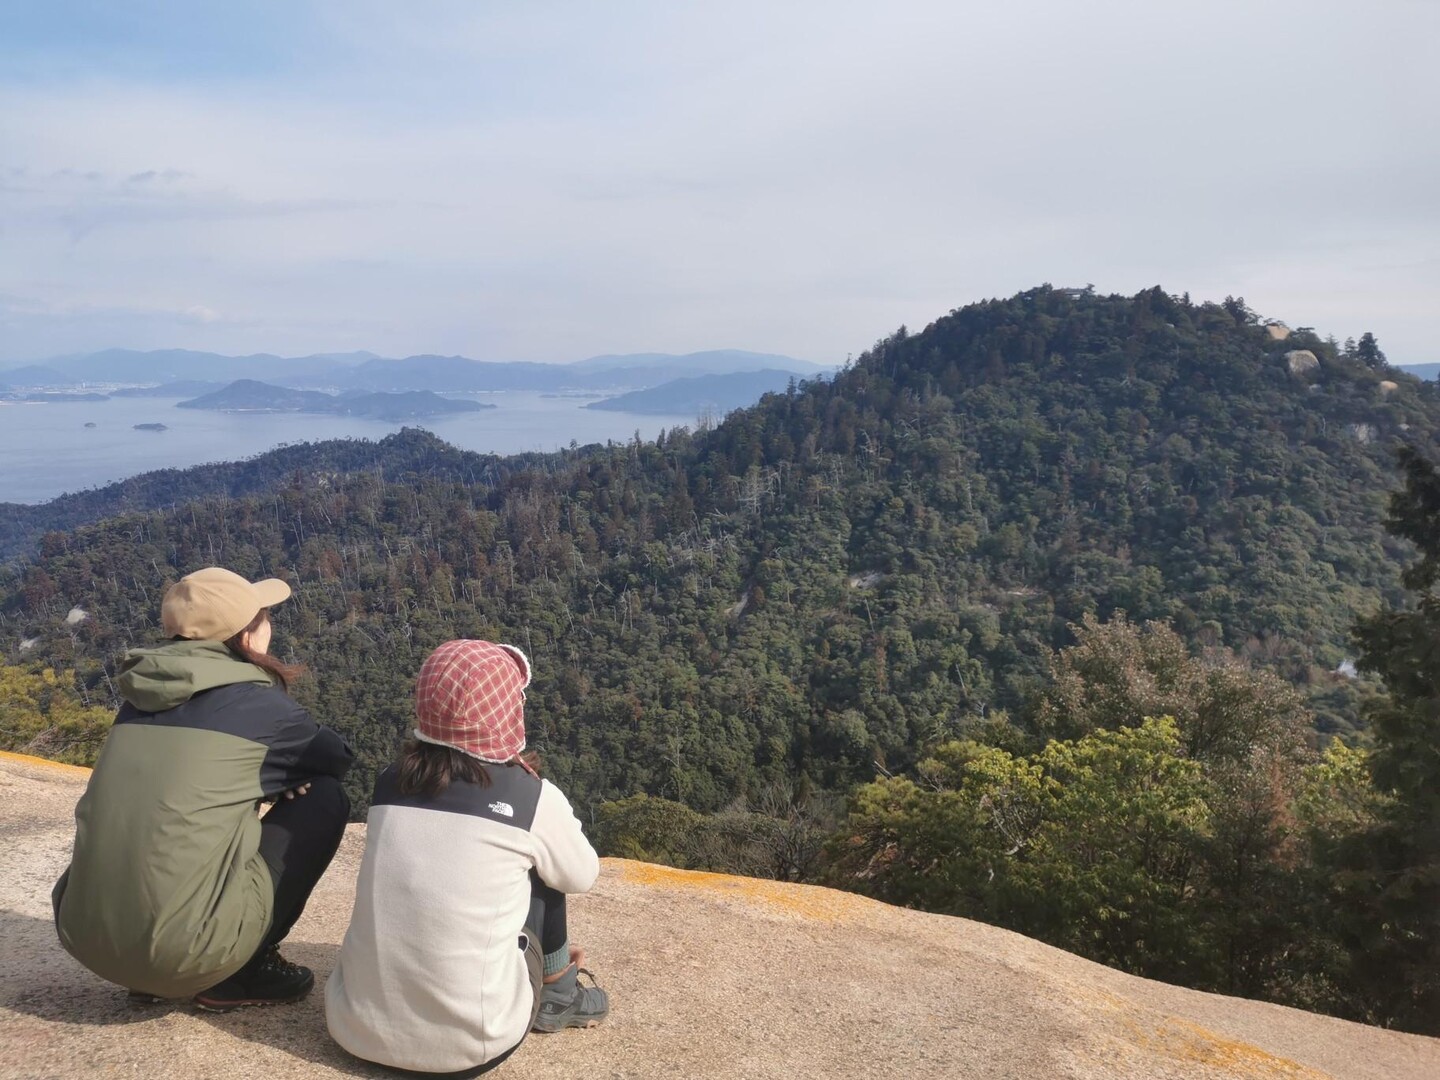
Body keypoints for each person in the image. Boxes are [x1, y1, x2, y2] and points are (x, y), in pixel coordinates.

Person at [52, 566, 354, 1010]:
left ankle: (151, 966)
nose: (271, 625)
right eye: (265, 617)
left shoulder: (137, 700)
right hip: (183, 955)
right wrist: (280, 778)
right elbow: (335, 759)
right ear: (246, 637)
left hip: (84, 934)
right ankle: (246, 973)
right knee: (325, 796)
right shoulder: (263, 709)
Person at [326, 639, 608, 1076]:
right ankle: (558, 994)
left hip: (354, 1029)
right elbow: (580, 875)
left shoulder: (387, 784)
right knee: (544, 869)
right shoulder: (530, 799)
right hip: (469, 1048)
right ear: (507, 712)